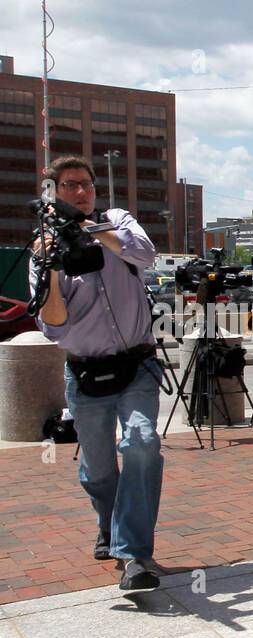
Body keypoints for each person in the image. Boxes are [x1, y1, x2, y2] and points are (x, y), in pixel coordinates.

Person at [31, 155, 164, 591]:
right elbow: (53, 325)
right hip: (86, 373)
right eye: (71, 185)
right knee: (99, 468)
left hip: (138, 363)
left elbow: (145, 254)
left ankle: (133, 556)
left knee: (142, 442)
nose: (83, 191)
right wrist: (51, 267)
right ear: (52, 192)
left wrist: (95, 231)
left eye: (86, 183)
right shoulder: (44, 247)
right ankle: (108, 526)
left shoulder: (116, 220)